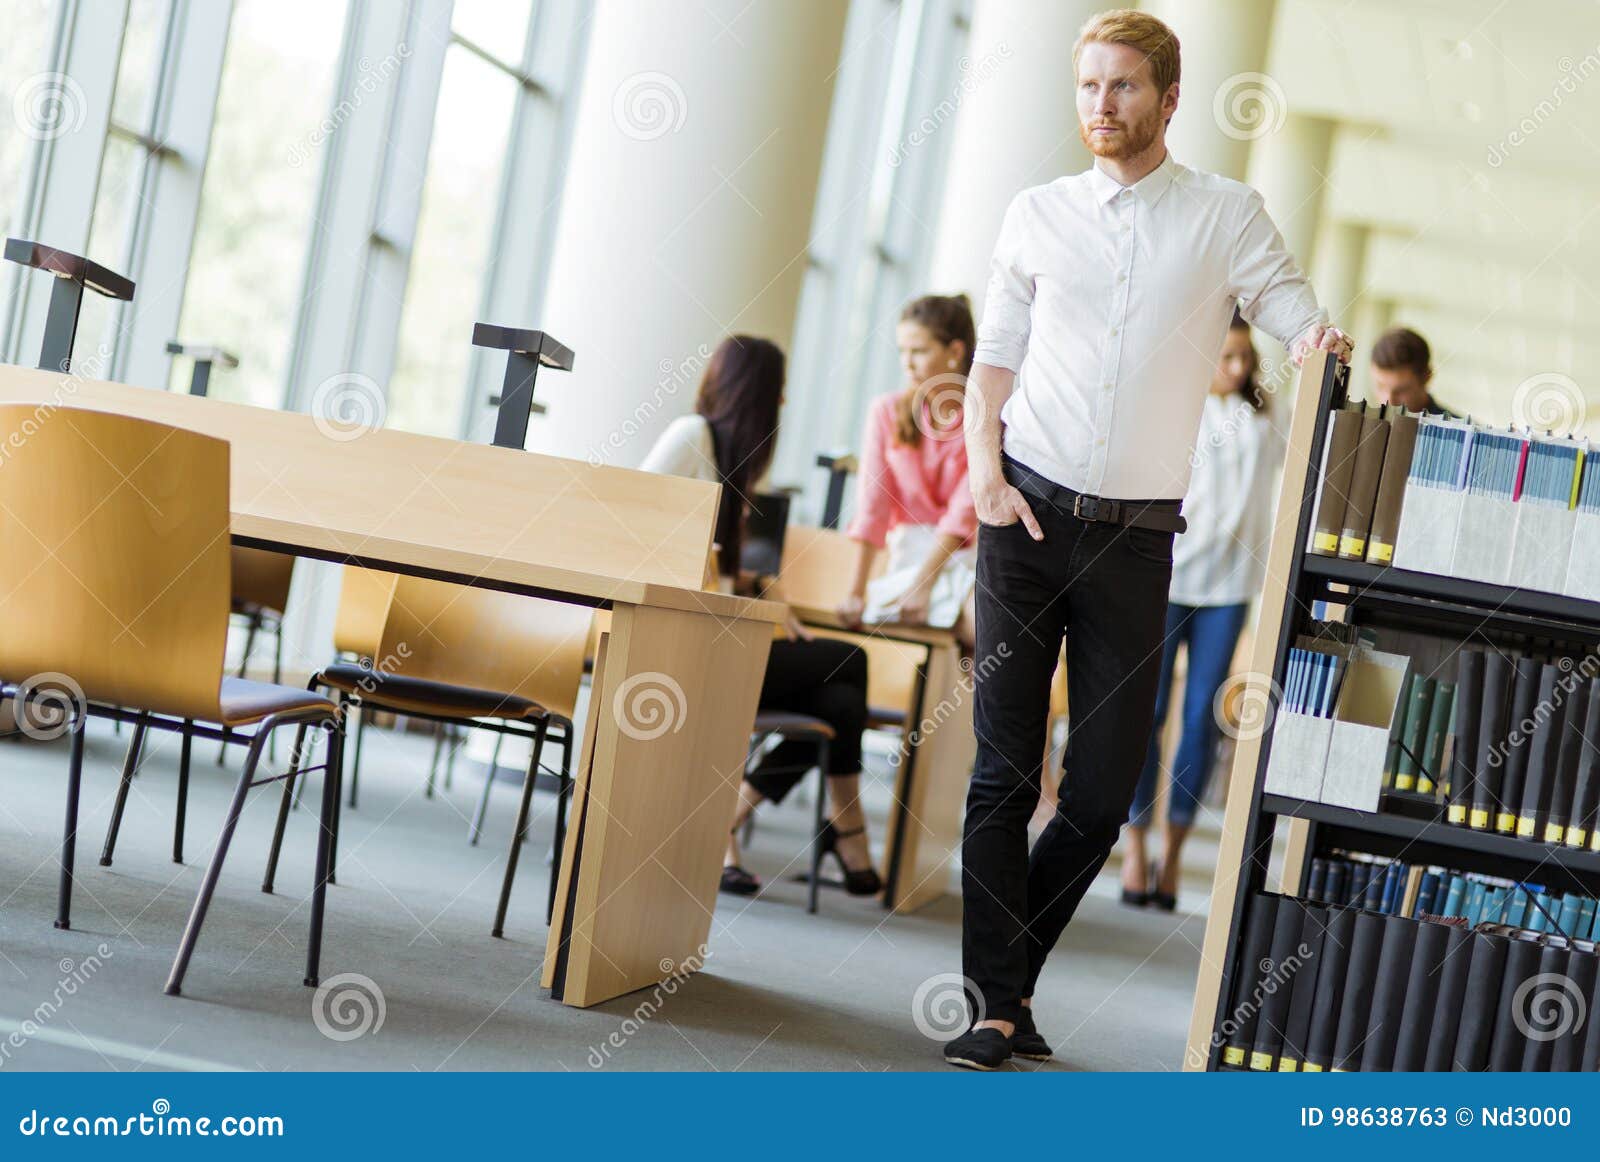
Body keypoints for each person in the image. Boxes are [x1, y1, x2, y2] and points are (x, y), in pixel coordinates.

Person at [945, 9, 1352, 1071]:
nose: (1100, 105)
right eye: (1088, 85)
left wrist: (1316, 337)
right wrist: (983, 474)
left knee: (1100, 793)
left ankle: (1007, 982)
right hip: (1024, 517)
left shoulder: (1224, 213)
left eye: (1122, 85)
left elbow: (1290, 310)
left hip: (1134, 546)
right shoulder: (1035, 213)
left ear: (1169, 99)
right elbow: (994, 360)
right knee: (1003, 772)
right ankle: (992, 1002)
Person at [640, 335, 882, 899]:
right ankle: (844, 828)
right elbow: (636, 518)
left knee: (839, 703)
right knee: (849, 661)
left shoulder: (731, 461)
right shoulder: (690, 436)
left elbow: (720, 566)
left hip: (717, 638)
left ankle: (727, 819)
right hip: (683, 646)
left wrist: (759, 586)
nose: (783, 404)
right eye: (778, 391)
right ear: (754, 392)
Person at [1120, 312, 1284, 914]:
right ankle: (1135, 845)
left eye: (1244, 358)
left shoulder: (1267, 420)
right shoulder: (1174, 410)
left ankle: (1172, 853)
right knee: (1147, 711)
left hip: (1229, 589)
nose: (1237, 368)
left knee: (1201, 721)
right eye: (1225, 357)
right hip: (1163, 581)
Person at [840, 294, 981, 650]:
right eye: (902, 351)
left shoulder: (983, 418)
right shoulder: (886, 412)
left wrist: (924, 584)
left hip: (964, 557)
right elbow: (873, 507)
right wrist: (854, 592)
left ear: (955, 351)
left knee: (983, 630)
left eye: (918, 351)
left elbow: (963, 514)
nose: (907, 362)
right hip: (907, 557)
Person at [1370, 326, 1455, 416]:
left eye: (1401, 390)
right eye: (1380, 386)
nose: (1388, 403)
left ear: (1427, 378)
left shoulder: (1459, 425)